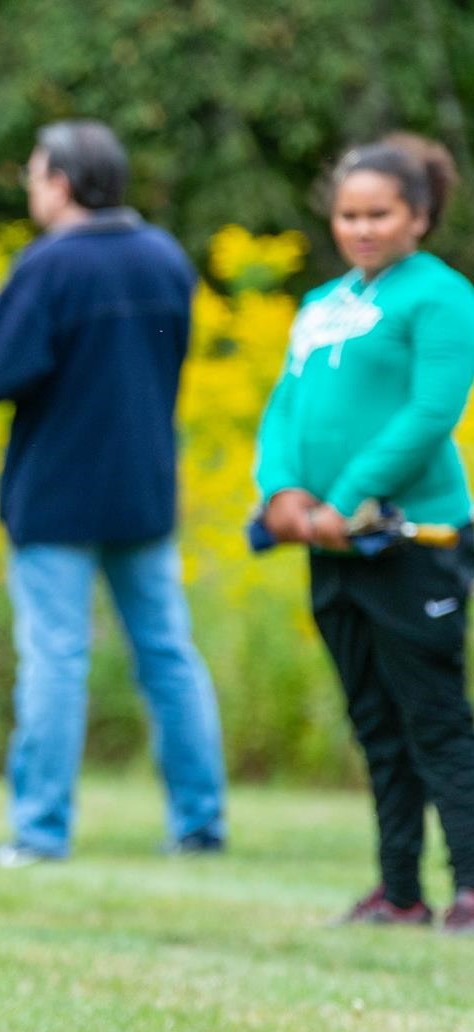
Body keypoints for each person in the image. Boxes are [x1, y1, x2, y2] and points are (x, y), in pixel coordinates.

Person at [0, 119, 228, 867]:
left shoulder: (48, 266)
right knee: (167, 653)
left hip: (55, 494)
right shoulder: (164, 257)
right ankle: (199, 820)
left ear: (60, 180)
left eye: (33, 173)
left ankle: (40, 830)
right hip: (143, 489)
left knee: (55, 656)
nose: (29, 187)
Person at [254, 133, 474, 933]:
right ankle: (397, 891)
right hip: (329, 545)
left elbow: (430, 411)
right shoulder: (322, 305)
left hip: (409, 541)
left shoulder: (439, 296)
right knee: (374, 722)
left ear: (418, 215)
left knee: (434, 717)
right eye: (348, 215)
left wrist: (346, 498)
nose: (361, 229)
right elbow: (284, 404)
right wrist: (280, 492)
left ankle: (470, 886)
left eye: (378, 214)